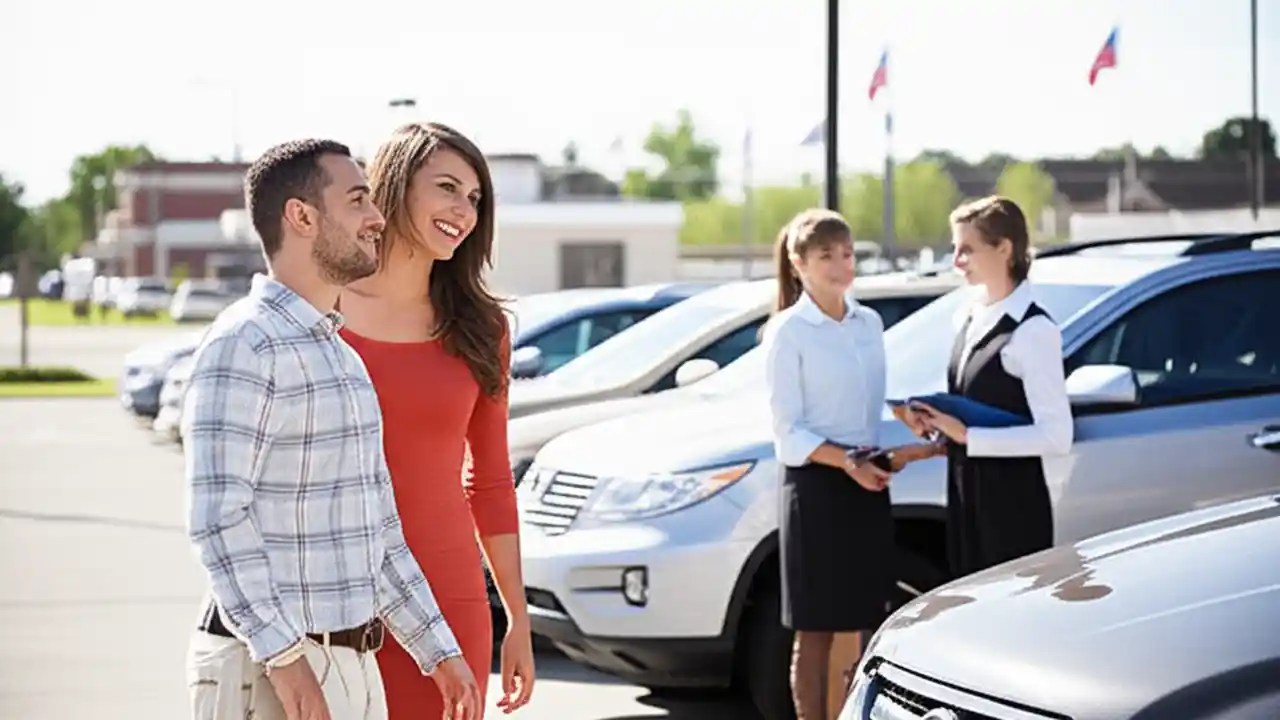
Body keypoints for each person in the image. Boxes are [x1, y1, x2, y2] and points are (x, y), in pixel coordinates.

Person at [182, 138, 481, 720]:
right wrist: (287, 662)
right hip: (268, 669)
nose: (377, 219)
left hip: (351, 667)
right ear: (302, 217)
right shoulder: (245, 342)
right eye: (358, 201)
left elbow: (378, 529)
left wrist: (438, 651)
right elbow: (217, 517)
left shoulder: (340, 357)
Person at [336, 122, 535, 718]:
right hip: (336, 597)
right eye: (447, 188)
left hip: (448, 599)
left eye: (475, 199)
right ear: (393, 187)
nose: (463, 211)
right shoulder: (323, 307)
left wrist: (518, 618)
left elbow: (492, 482)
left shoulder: (482, 328)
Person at [762, 209, 933, 720]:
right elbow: (787, 431)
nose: (841, 265)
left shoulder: (869, 322)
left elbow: (862, 406)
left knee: (861, 623)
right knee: (814, 630)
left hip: (866, 485)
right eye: (826, 256)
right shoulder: (787, 332)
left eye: (847, 253)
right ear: (799, 264)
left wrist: (901, 421)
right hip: (815, 489)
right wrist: (848, 462)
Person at [908, 195, 1074, 578]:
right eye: (955, 249)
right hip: (965, 492)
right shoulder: (966, 316)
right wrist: (935, 421)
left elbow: (1057, 436)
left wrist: (968, 436)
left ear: (1005, 249)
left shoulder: (1034, 330)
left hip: (1012, 504)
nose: (956, 261)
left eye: (967, 249)